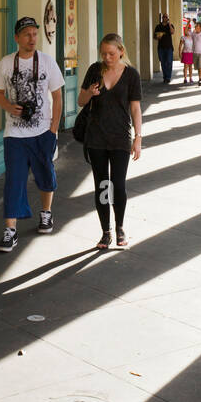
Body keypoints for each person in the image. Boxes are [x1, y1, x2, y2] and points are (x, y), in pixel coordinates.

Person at [0, 16, 64, 252]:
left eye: (35, 34)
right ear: (17, 38)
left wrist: (53, 129)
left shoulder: (47, 62)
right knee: (14, 180)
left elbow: (57, 96)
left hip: (42, 131)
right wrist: (9, 107)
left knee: (45, 174)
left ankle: (46, 213)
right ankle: (10, 231)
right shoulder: (5, 63)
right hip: (14, 134)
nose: (32, 38)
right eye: (27, 35)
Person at [78, 33, 142, 250]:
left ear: (121, 51)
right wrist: (90, 93)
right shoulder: (95, 70)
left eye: (111, 53)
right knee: (102, 185)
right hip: (96, 136)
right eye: (103, 53)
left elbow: (135, 107)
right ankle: (105, 231)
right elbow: (80, 101)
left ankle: (120, 227)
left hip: (121, 136)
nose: (107, 57)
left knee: (118, 184)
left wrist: (138, 138)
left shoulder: (131, 74)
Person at [153, 12, 175, 83]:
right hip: (161, 47)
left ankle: (168, 77)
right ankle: (165, 76)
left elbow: (172, 32)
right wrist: (158, 37)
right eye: (164, 17)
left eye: (166, 17)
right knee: (163, 62)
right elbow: (155, 37)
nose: (165, 18)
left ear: (168, 18)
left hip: (169, 47)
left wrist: (169, 24)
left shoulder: (170, 25)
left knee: (169, 62)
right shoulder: (158, 26)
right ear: (162, 18)